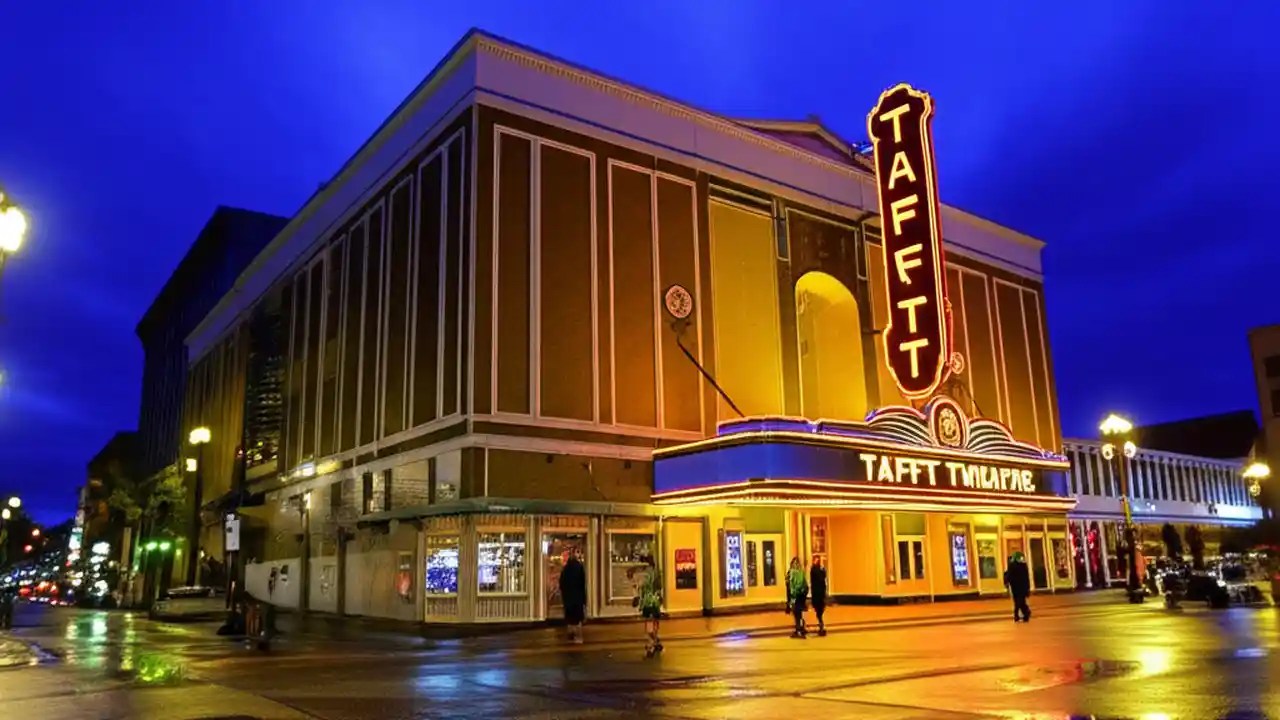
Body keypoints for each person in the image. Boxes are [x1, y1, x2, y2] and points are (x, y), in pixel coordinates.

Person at [633, 559, 663, 657]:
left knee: (649, 624)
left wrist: (636, 596)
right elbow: (659, 588)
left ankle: (651, 644)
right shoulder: (657, 575)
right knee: (655, 622)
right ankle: (655, 641)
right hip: (655, 602)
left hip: (647, 602)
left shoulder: (645, 576)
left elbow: (638, 586)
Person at [559, 550, 587, 645]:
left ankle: (570, 636)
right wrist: (584, 598)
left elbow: (561, 583)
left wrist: (564, 594)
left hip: (568, 597)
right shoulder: (580, 568)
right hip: (578, 597)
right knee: (578, 618)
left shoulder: (565, 569)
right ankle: (578, 637)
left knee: (570, 618)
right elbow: (583, 583)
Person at [1003, 551, 1032, 622]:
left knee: (1018, 601)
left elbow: (1009, 575)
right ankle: (1024, 613)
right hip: (1022, 587)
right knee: (1021, 601)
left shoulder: (1012, 565)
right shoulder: (1023, 566)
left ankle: (1019, 615)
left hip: (1015, 586)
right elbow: (1026, 578)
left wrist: (1007, 583)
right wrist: (1028, 588)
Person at [786, 557, 809, 638]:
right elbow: (805, 585)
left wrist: (792, 597)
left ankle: (799, 630)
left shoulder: (792, 573)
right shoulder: (801, 572)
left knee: (796, 614)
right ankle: (800, 629)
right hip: (801, 596)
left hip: (796, 597)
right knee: (799, 614)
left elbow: (791, 587)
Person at [809, 556, 828, 637]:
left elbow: (823, 577)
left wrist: (822, 568)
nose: (818, 562)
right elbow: (821, 577)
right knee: (819, 611)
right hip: (817, 593)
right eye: (817, 560)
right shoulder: (814, 570)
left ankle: (821, 625)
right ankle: (821, 625)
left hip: (820, 594)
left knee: (819, 611)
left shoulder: (819, 569)